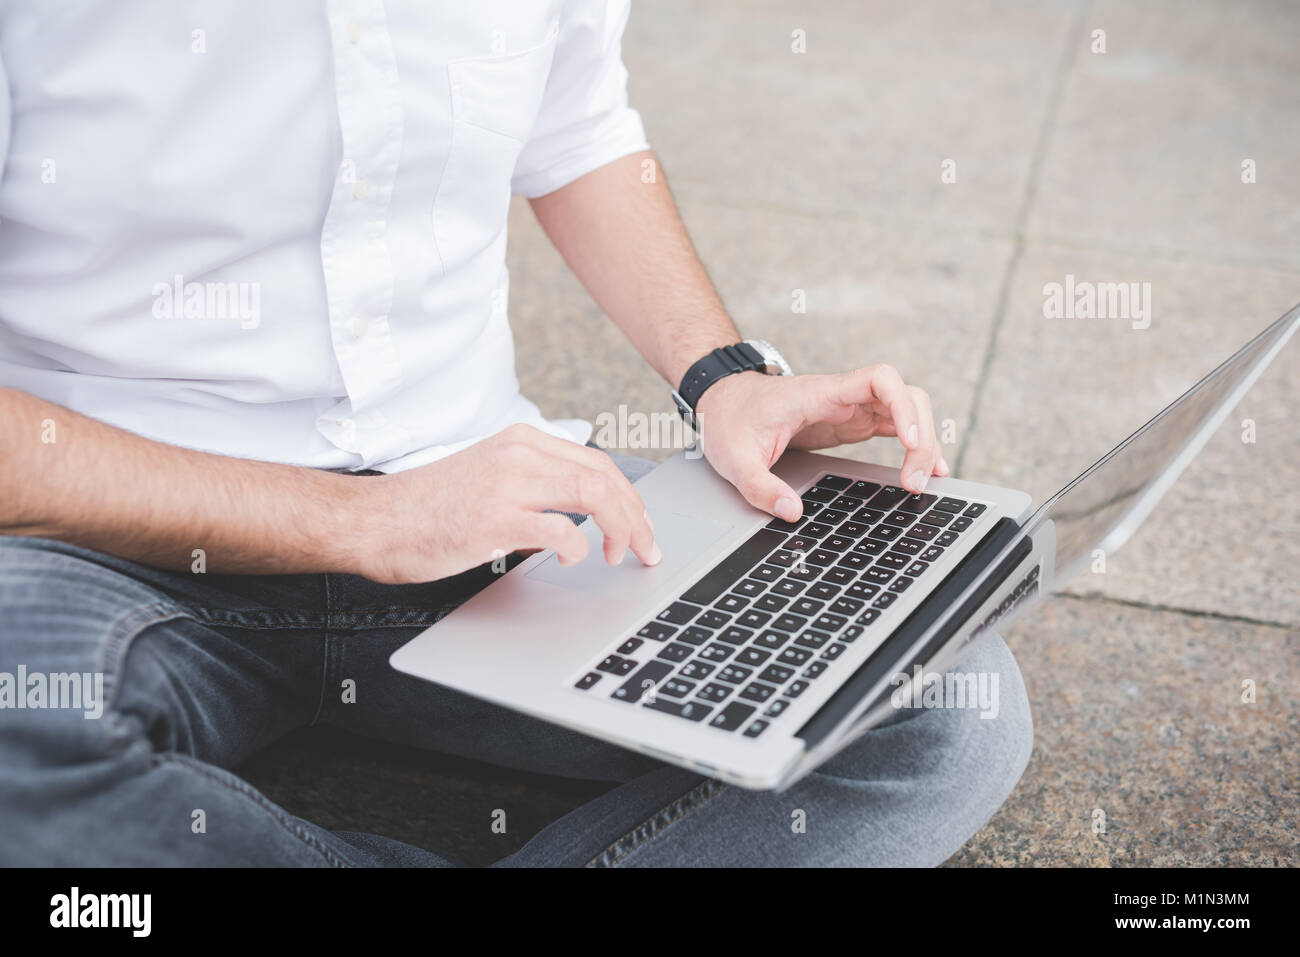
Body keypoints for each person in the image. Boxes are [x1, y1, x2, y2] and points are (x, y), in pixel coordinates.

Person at [0, 0, 1031, 866]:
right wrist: (363, 520)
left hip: (491, 506)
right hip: (107, 539)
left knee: (936, 707)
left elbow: (577, 128)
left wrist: (721, 377)